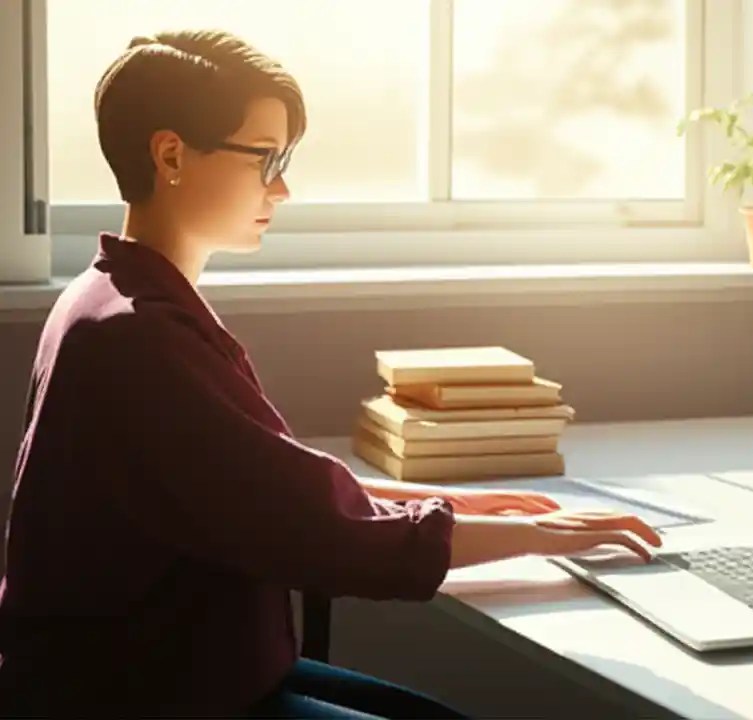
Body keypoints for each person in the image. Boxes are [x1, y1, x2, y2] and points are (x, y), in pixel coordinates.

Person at [0, 29, 661, 718]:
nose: (282, 187)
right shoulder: (139, 336)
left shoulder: (112, 295)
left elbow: (267, 486)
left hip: (179, 669)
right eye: (266, 158)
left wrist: (456, 504)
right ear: (171, 155)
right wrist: (539, 536)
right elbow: (322, 532)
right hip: (141, 696)